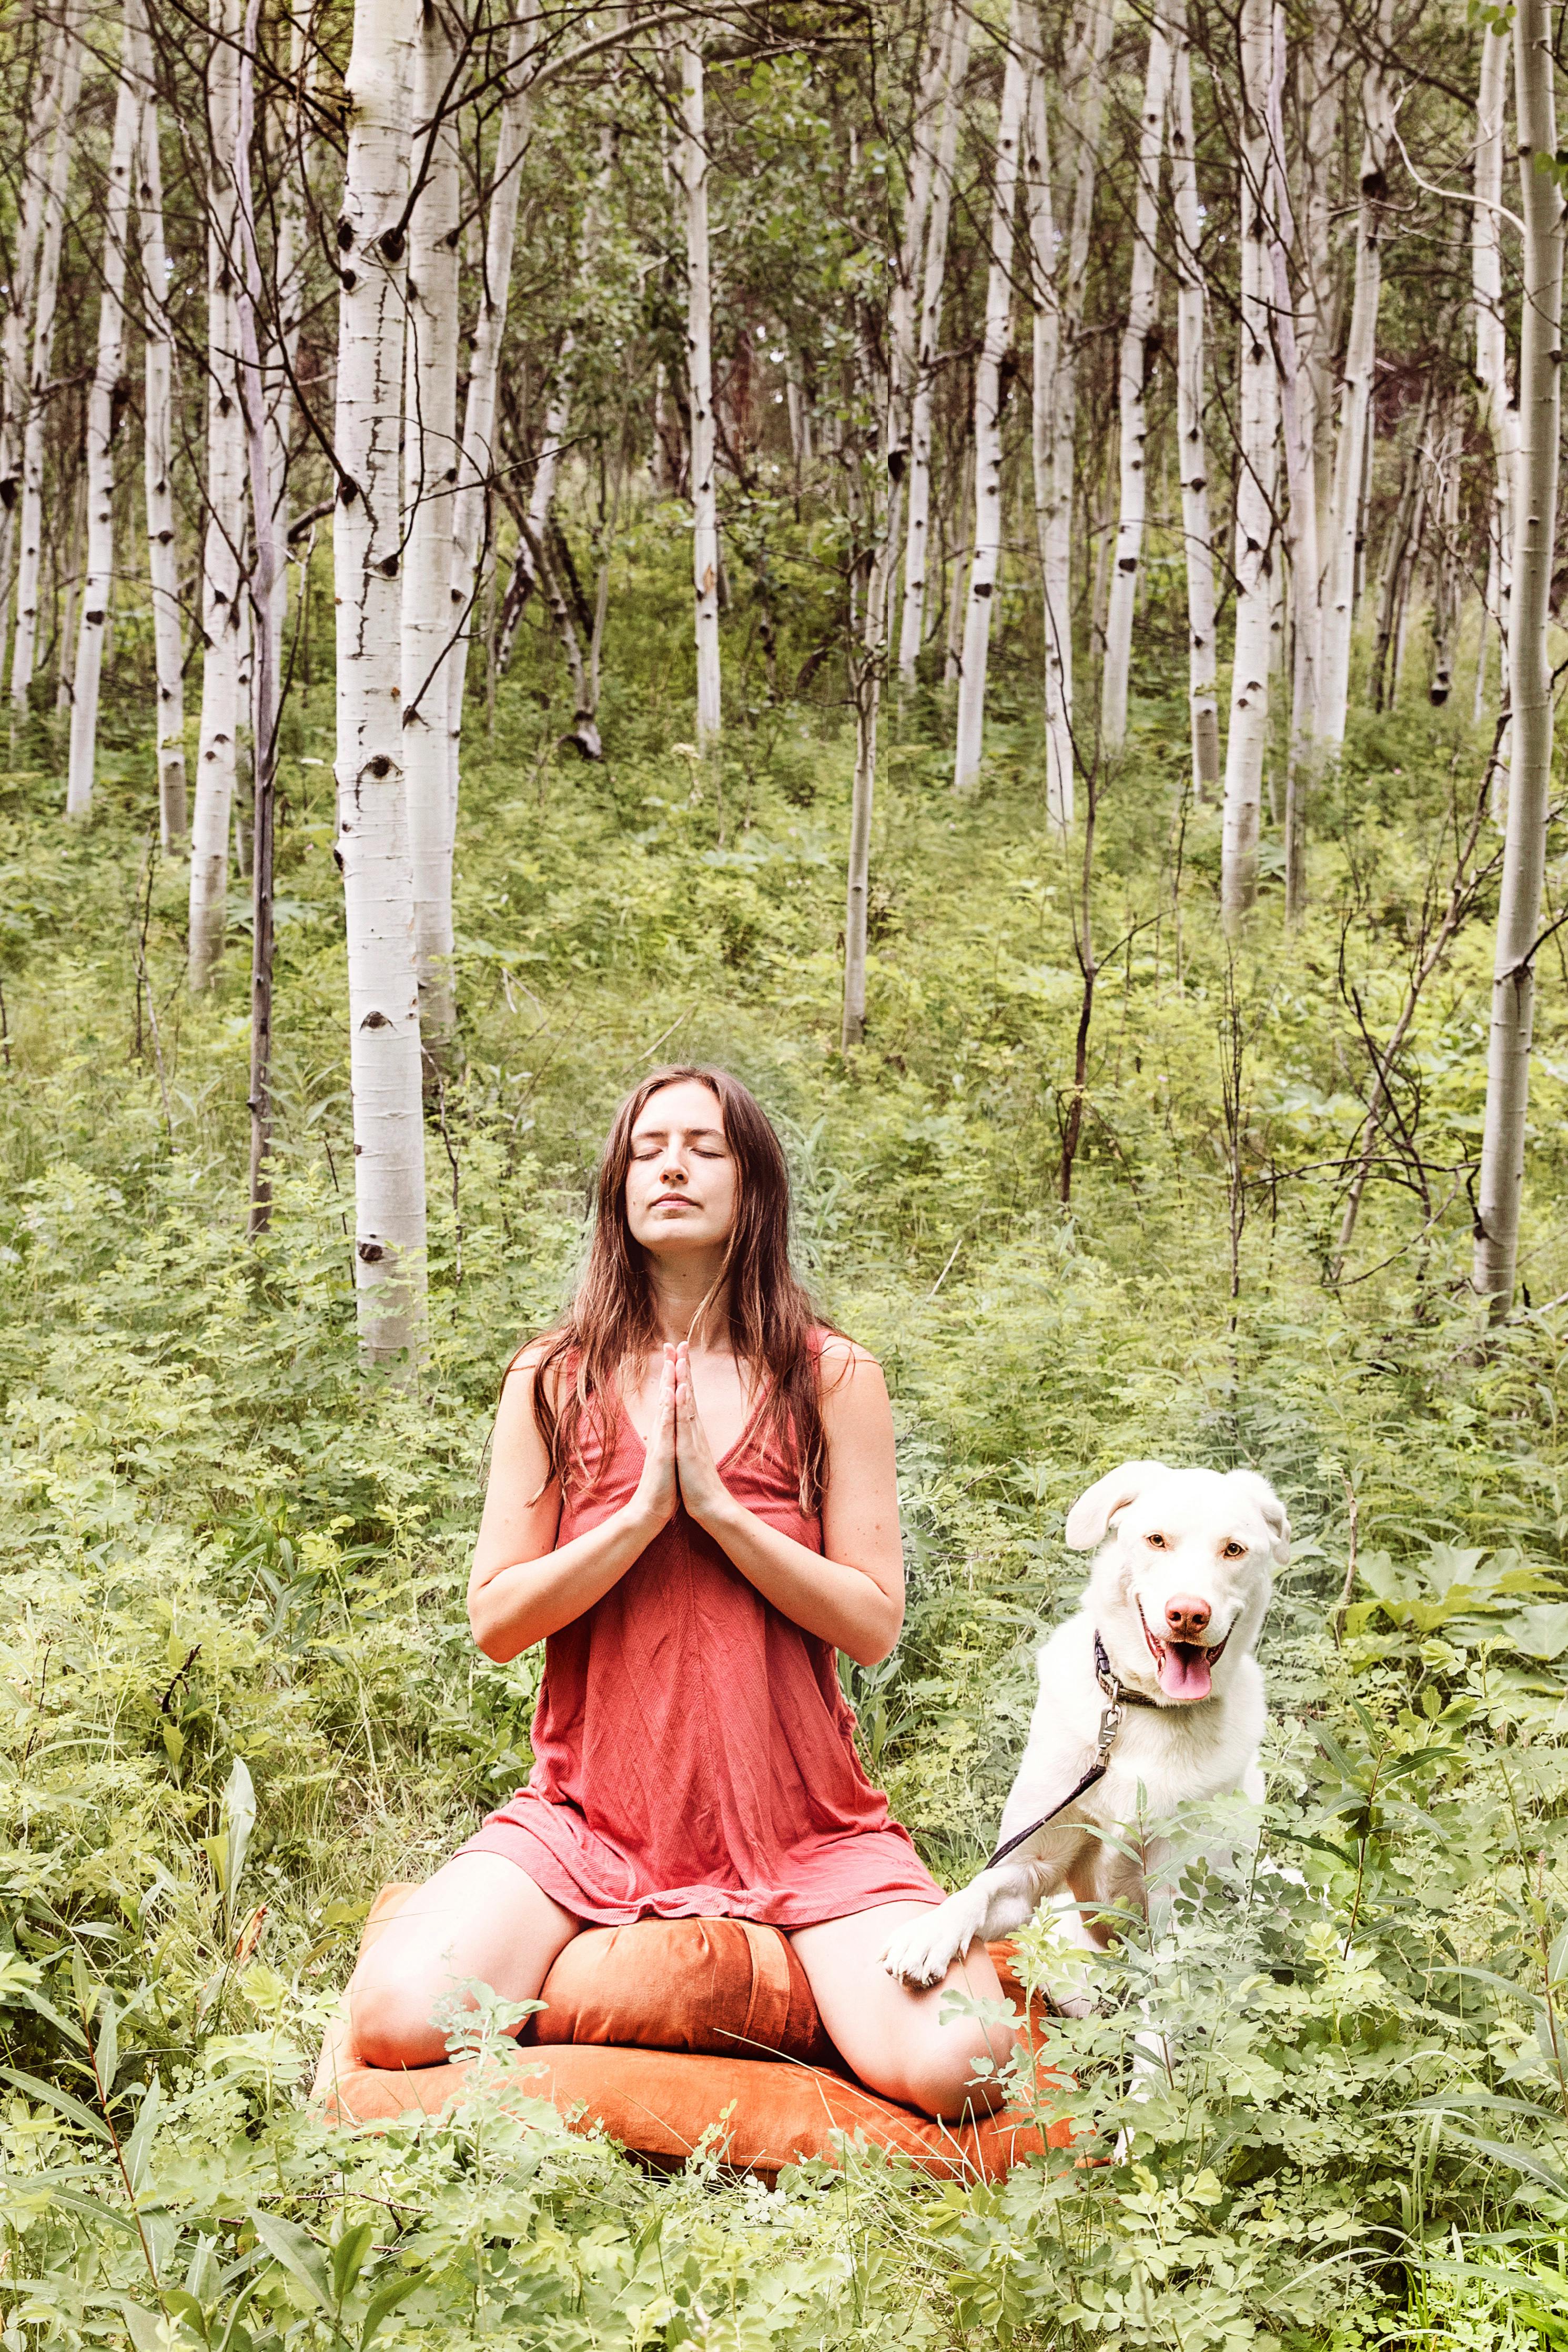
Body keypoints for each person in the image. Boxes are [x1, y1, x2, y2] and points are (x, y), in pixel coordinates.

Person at [350, 1065, 1015, 2119]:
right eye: (648, 1148)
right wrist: (637, 1519)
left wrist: (720, 1510)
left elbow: (873, 1624)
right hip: (585, 1820)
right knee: (392, 2019)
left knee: (966, 2064)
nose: (672, 1165)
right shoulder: (553, 1376)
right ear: (618, 1185)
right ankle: (668, 1978)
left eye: (705, 1147)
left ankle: (715, 1978)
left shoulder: (833, 1376)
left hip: (805, 1827)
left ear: (754, 1184)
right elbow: (497, 1621)